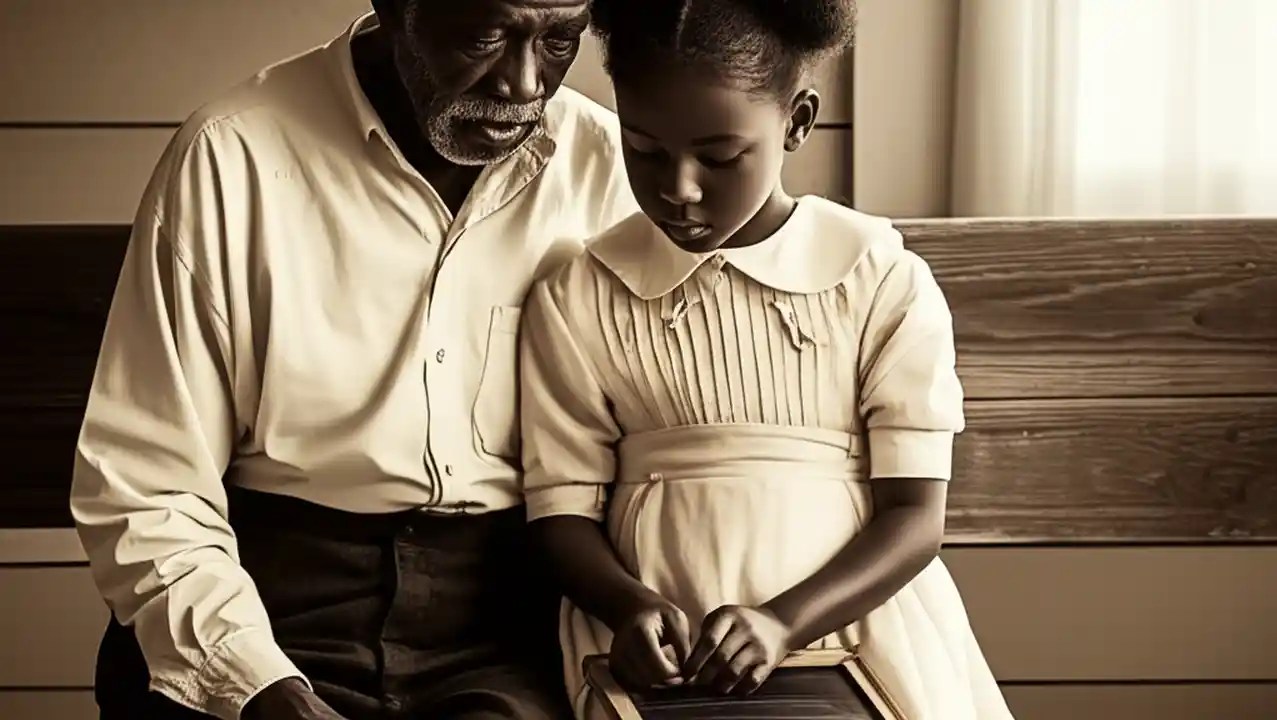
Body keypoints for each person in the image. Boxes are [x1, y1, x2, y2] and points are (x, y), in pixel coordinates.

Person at [69, 1, 636, 719]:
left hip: (509, 632)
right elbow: (149, 486)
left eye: (559, 39)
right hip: (264, 605)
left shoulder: (609, 167)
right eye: (486, 34)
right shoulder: (232, 153)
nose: (525, 84)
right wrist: (259, 685)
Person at [518, 0, 1017, 718]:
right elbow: (562, 509)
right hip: (654, 662)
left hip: (857, 636)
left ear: (798, 122)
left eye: (720, 157)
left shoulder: (877, 277)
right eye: (645, 150)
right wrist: (626, 605)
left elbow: (914, 516)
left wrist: (783, 621)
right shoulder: (580, 294)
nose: (678, 188)